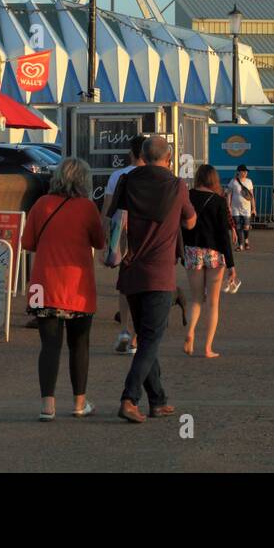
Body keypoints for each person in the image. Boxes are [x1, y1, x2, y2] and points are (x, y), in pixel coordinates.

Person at [110, 136, 197, 423]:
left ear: (143, 156)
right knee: (150, 339)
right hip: (160, 272)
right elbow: (190, 221)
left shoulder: (128, 180)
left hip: (131, 270)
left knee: (147, 336)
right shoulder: (175, 185)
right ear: (168, 157)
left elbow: (113, 215)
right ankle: (129, 398)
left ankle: (158, 400)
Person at [23, 157, 105, 421]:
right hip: (77, 286)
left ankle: (48, 406)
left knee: (49, 346)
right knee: (79, 345)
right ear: (84, 180)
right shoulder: (87, 208)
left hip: (44, 284)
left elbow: (28, 242)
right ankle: (80, 403)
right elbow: (100, 242)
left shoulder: (41, 205)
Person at [182, 165, 236, 358]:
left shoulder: (187, 196)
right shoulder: (219, 201)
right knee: (213, 303)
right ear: (213, 179)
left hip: (192, 250)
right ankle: (207, 348)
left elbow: (181, 226)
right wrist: (231, 264)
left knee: (196, 299)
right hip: (214, 252)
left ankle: (190, 331)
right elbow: (223, 235)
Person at [102, 133, 146, 354]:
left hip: (122, 235)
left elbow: (108, 209)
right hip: (146, 235)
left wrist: (105, 239)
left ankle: (124, 329)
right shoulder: (152, 176)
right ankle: (137, 336)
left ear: (131, 153)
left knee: (124, 282)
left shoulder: (117, 175)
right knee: (143, 284)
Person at [227, 164, 255, 252]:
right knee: (238, 227)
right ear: (238, 172)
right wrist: (228, 206)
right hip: (235, 208)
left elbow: (251, 196)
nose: (245, 173)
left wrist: (254, 208)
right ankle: (241, 245)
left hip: (246, 208)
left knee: (246, 226)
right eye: (243, 171)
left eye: (246, 172)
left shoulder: (249, 181)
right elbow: (229, 194)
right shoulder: (233, 181)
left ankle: (246, 240)